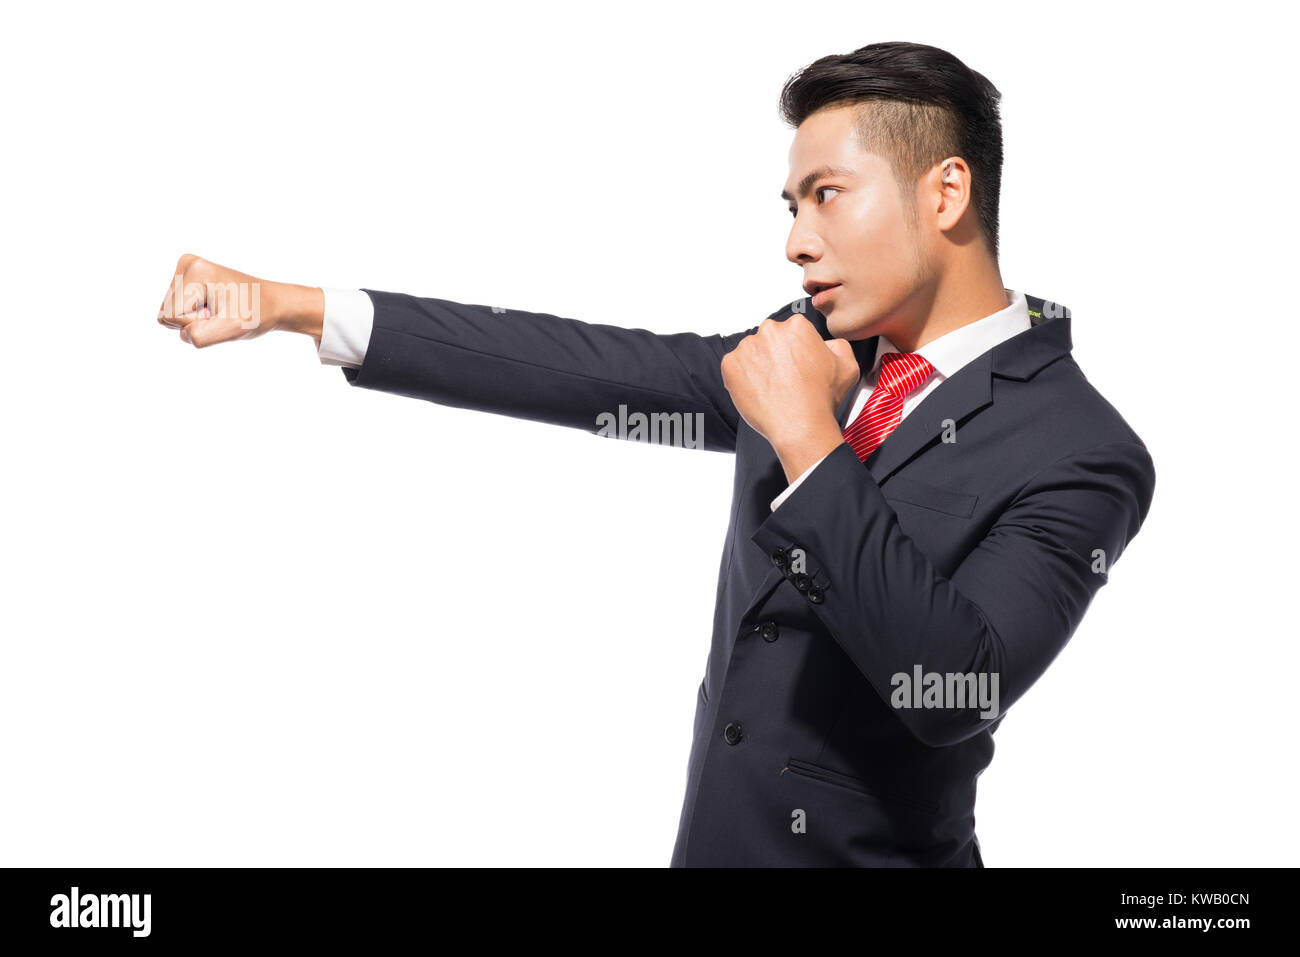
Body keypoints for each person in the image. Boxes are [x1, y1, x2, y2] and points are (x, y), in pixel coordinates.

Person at [156, 41, 1156, 867]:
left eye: (826, 196)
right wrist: (296, 308)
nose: (796, 243)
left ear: (944, 194)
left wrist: (808, 437)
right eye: (789, 206)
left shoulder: (1080, 448)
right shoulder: (812, 347)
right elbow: (593, 373)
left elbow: (953, 689)